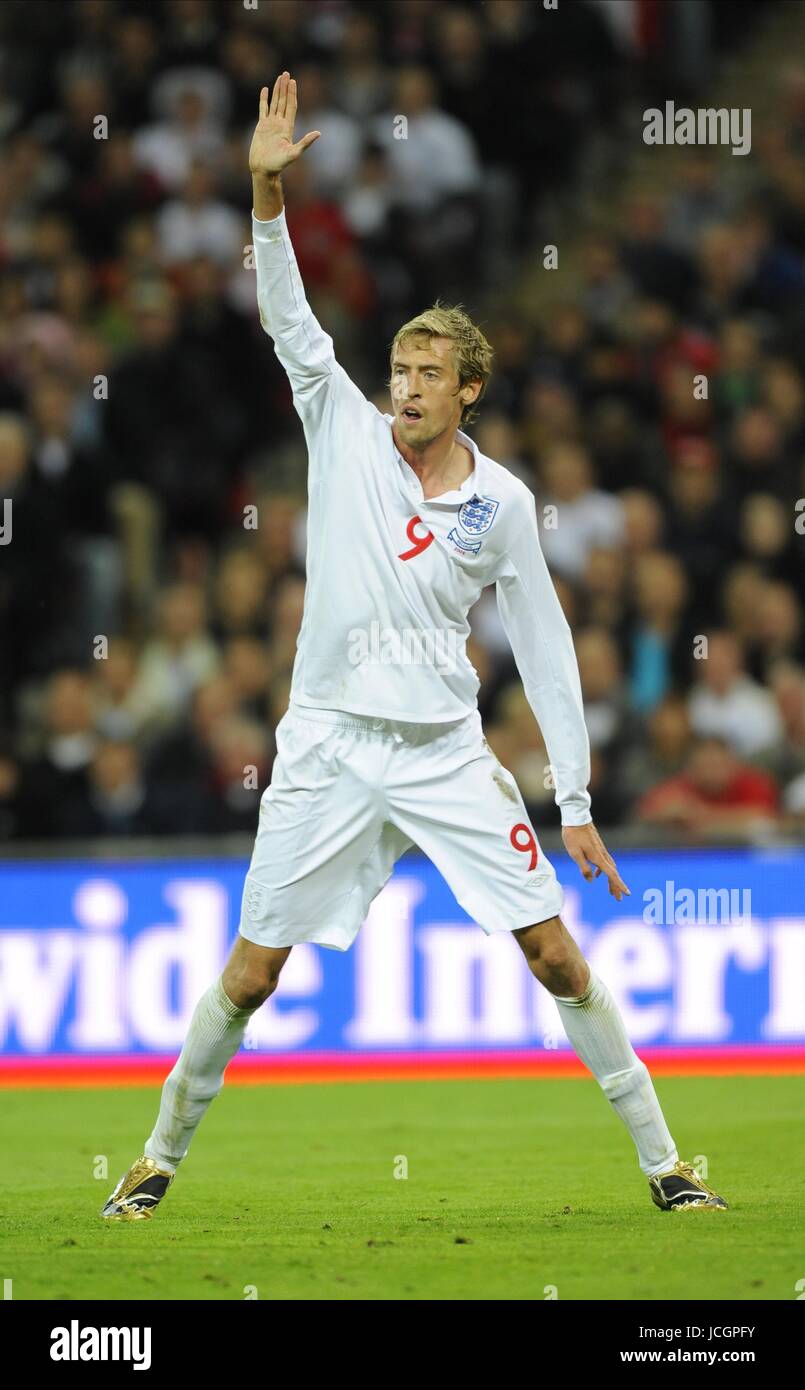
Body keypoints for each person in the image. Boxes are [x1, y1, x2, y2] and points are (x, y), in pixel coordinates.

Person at [103, 73, 726, 1222]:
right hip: (329, 747)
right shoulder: (339, 425)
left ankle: (666, 1164)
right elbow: (288, 318)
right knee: (250, 975)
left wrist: (574, 798)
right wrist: (265, 195)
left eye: (428, 373)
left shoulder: (501, 503)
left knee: (554, 956)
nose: (404, 386)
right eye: (397, 368)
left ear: (468, 390)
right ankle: (152, 1160)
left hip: (444, 749)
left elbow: (544, 649)